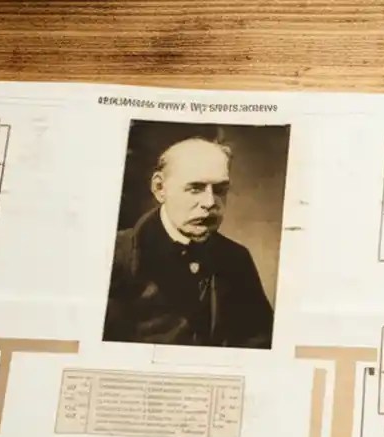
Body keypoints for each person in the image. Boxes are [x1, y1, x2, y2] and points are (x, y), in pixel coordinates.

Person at [105, 135, 274, 348]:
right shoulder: (115, 255)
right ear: (160, 188)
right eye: (195, 188)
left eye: (220, 189)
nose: (210, 203)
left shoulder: (236, 258)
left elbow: (259, 341)